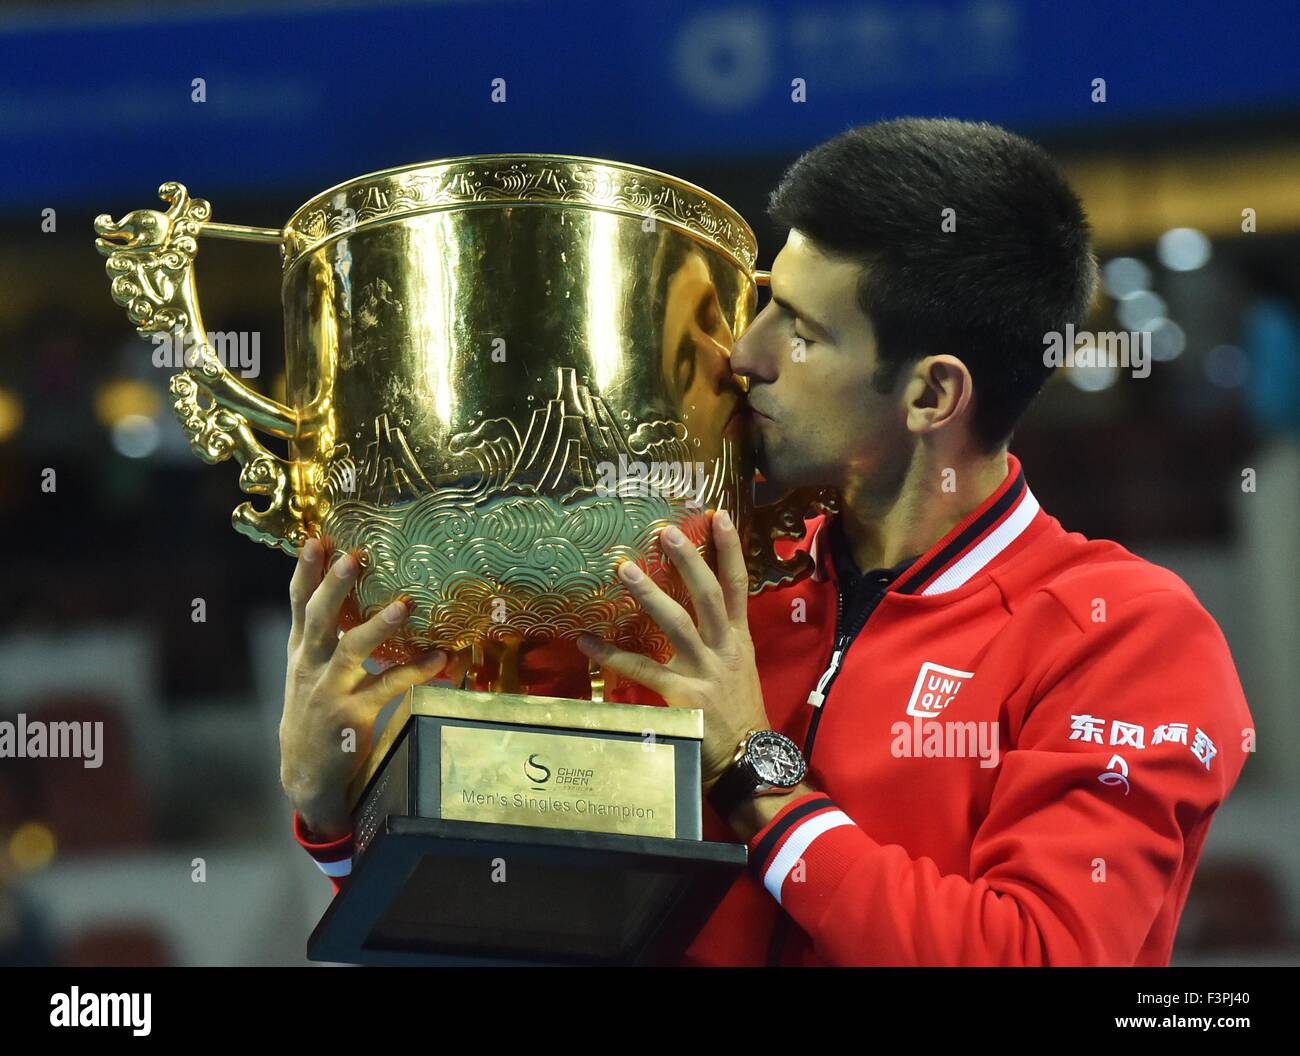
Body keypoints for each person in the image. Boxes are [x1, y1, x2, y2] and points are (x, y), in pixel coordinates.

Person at [280, 118, 1252, 966]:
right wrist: (340, 820)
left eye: (800, 330)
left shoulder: (1120, 635)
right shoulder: (690, 587)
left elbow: (1033, 954)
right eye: (763, 303)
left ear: (929, 394)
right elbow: (514, 919)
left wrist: (753, 770)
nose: (744, 356)